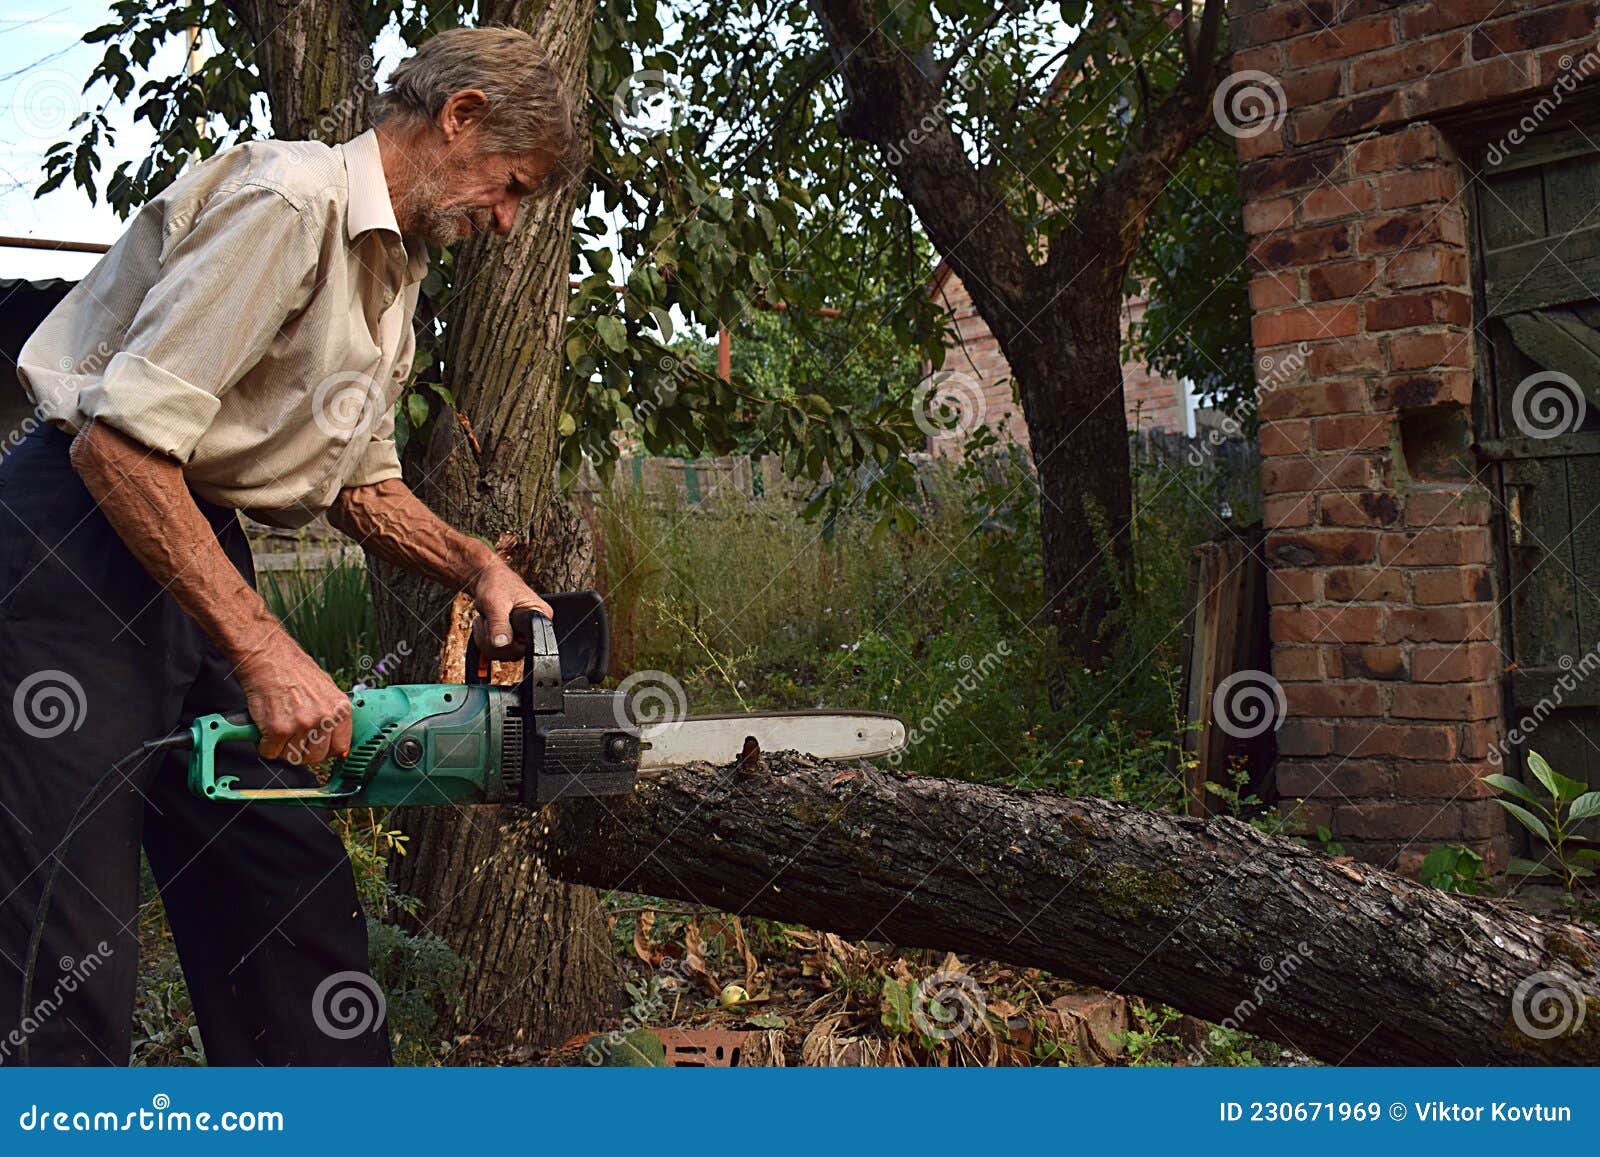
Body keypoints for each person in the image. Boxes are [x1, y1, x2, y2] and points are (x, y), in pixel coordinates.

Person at [0, 25, 580, 1066]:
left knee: (281, 883)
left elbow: (361, 483)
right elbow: (120, 444)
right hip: (76, 546)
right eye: (511, 185)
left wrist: (478, 566)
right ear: (462, 117)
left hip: (186, 536)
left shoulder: (388, 271)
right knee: (64, 929)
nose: (502, 220)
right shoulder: (292, 200)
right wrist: (267, 650)